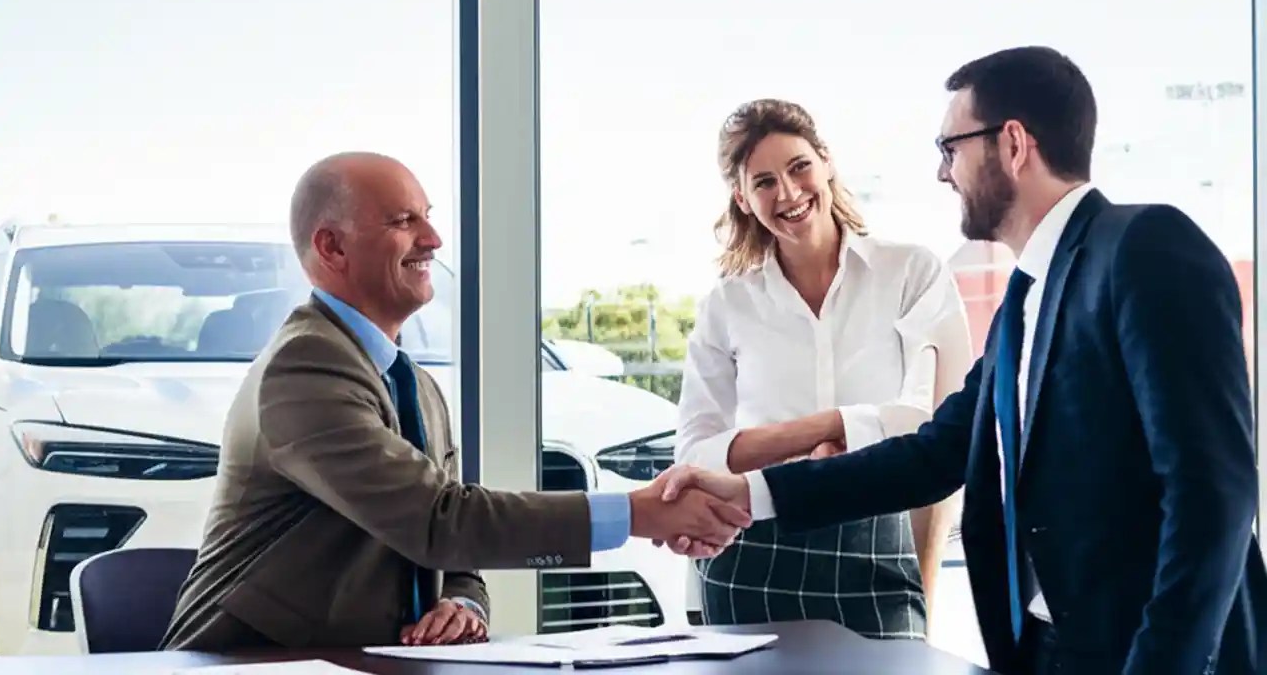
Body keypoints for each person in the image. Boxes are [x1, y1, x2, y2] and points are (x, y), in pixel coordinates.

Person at [656, 46, 1266, 675]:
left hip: (1151, 654)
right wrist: (748, 493)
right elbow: (933, 454)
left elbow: (1214, 492)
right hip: (1050, 650)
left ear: (1013, 144)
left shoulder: (1144, 248)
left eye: (950, 148)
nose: (944, 173)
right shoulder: (1023, 302)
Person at [160, 152, 751, 651]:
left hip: (368, 658)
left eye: (428, 217)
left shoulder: (410, 382)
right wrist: (640, 512)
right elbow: (439, 520)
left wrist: (464, 602)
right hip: (255, 660)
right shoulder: (304, 368)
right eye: (402, 220)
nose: (433, 239)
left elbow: (453, 550)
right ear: (332, 248)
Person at [674, 98, 972, 639]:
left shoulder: (911, 274)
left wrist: (826, 429)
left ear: (826, 161)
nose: (787, 193)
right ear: (742, 199)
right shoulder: (727, 306)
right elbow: (696, 455)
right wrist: (826, 431)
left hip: (876, 547)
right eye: (763, 182)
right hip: (751, 555)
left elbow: (936, 432)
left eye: (798, 167)